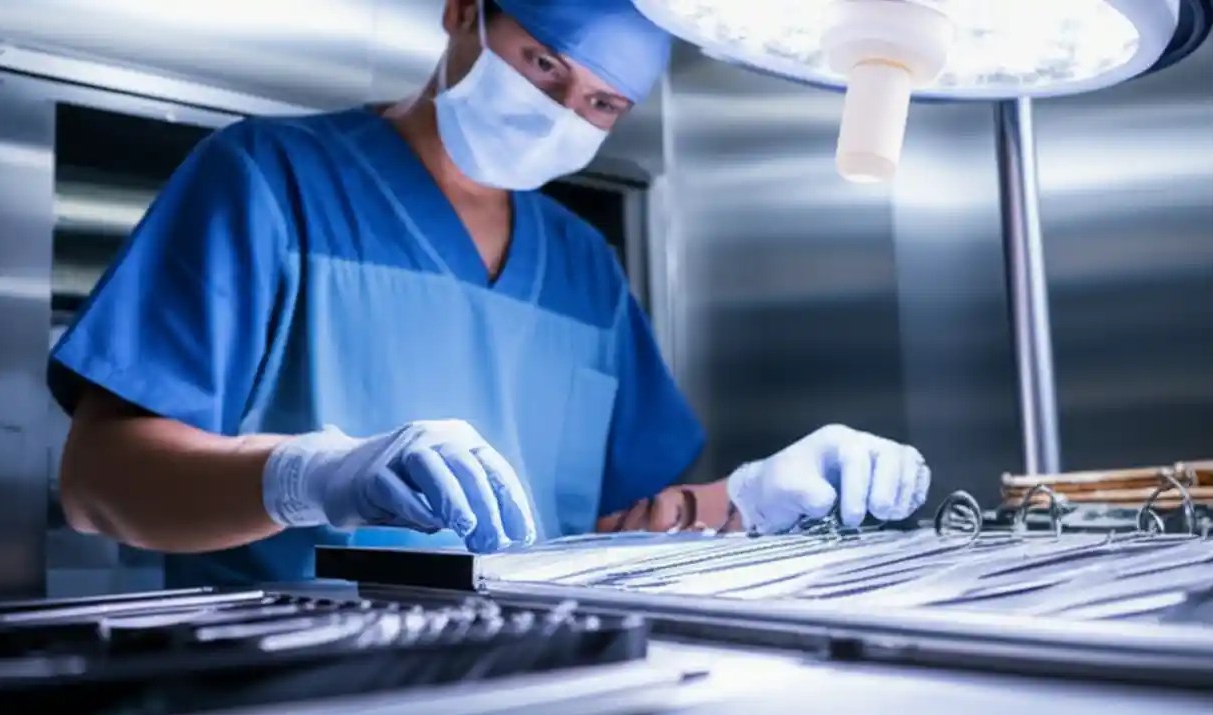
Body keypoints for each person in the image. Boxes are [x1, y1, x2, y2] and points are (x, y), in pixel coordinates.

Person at [49, 0, 932, 589]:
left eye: (601, 104)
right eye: (545, 66)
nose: (564, 111)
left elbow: (613, 532)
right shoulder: (268, 182)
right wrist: (312, 477)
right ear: (464, 12)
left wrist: (751, 500)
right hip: (276, 684)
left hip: (517, 679)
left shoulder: (585, 268)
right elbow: (98, 482)